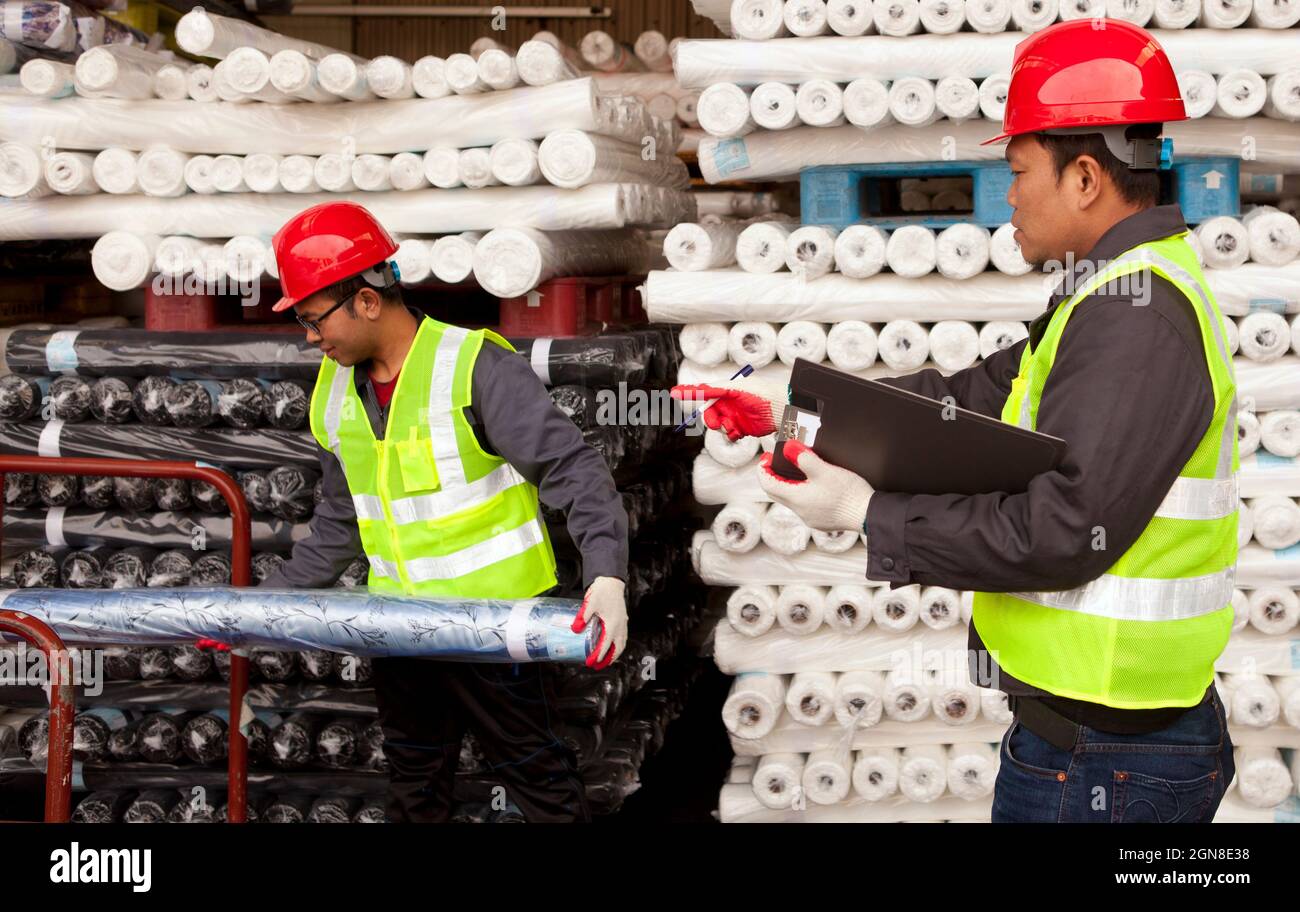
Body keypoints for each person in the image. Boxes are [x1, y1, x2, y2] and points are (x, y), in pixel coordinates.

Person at [673, 20, 1238, 823]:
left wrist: (866, 514)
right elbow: (971, 397)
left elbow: (1067, 531)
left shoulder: (1135, 315)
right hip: (1091, 739)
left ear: (1084, 177)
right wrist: (790, 414)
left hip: (1110, 759)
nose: (1007, 195)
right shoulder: (1107, 291)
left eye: (1016, 171)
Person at [258, 201, 629, 822]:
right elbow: (340, 521)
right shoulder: (332, 390)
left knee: (537, 781)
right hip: (401, 631)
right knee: (414, 785)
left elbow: (573, 469)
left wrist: (608, 575)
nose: (310, 337)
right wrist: (264, 608)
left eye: (314, 319)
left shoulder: (474, 366)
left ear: (367, 301)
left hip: (494, 627)